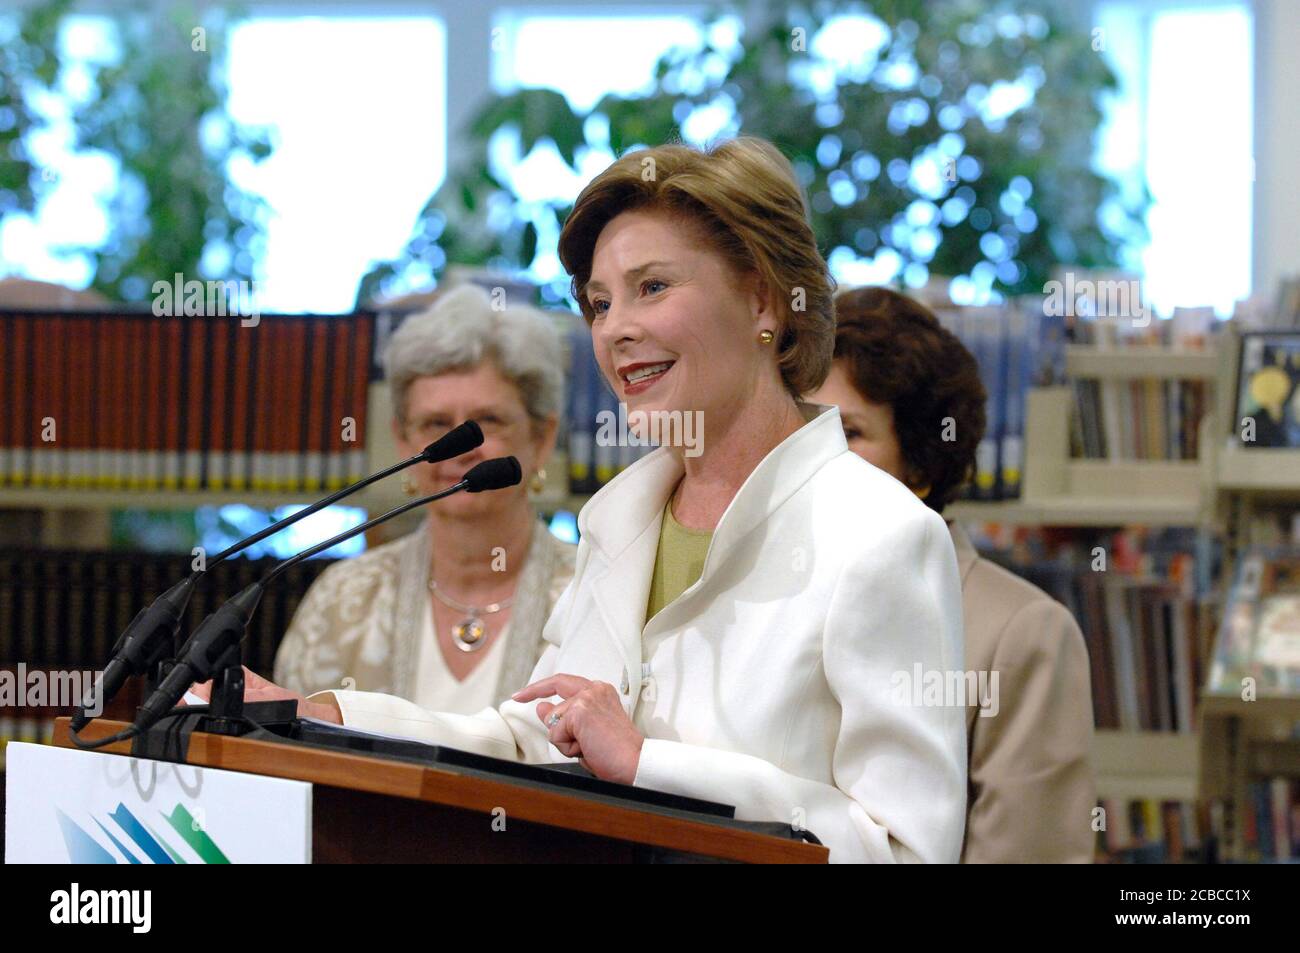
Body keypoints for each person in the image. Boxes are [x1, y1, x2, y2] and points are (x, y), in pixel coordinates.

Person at [200, 138, 967, 864]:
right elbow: (529, 743)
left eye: (652, 288)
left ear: (764, 299)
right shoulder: (618, 524)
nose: (616, 330)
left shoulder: (882, 536)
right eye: (600, 304)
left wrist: (646, 763)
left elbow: (904, 849)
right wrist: (324, 720)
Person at [807, 285, 1095, 863]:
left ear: (921, 463)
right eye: (805, 429)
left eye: (850, 433)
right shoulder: (776, 592)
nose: (815, 456)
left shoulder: (1022, 632)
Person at [272, 284, 577, 713]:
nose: (461, 448)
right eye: (436, 423)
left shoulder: (591, 595)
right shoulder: (342, 602)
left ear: (542, 439)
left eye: (487, 421)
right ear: (403, 440)